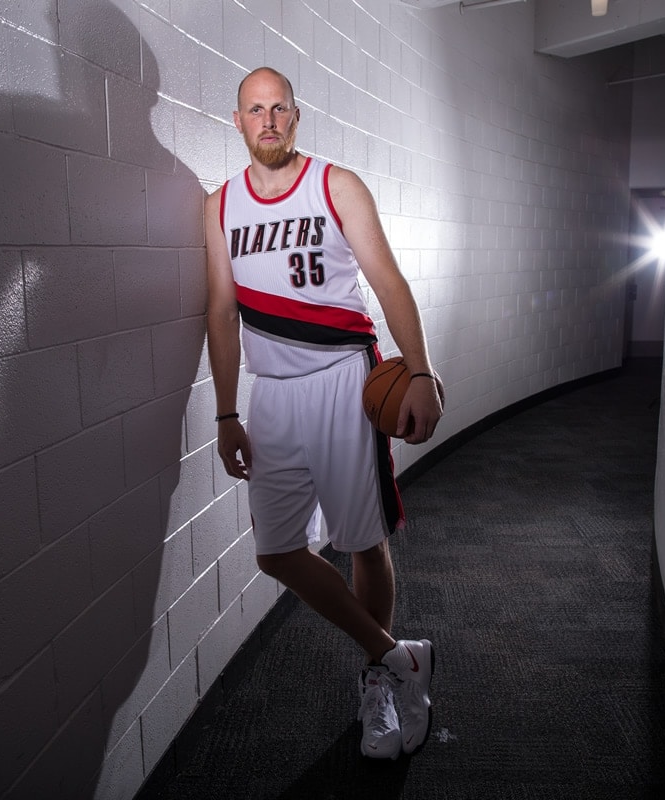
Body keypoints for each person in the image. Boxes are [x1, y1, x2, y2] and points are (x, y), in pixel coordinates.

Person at [204, 66, 444, 760]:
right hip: (272, 393)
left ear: (296, 117)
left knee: (363, 540)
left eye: (280, 108)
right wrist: (225, 412)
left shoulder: (335, 184)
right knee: (278, 551)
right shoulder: (220, 206)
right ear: (239, 120)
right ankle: (401, 657)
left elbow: (388, 281)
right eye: (256, 110)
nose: (269, 120)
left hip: (344, 381)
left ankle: (379, 689)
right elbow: (221, 313)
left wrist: (420, 370)